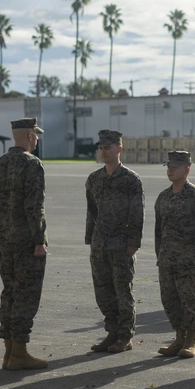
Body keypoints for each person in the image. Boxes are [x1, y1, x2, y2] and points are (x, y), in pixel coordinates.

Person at [0, 118, 49, 370]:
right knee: (26, 295)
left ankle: (9, 352)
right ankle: (19, 353)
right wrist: (39, 240)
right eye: (36, 135)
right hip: (27, 244)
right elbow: (34, 207)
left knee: (9, 293)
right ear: (30, 135)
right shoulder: (32, 164)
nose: (37, 139)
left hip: (6, 243)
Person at [86, 130, 146, 354]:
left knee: (123, 292)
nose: (103, 152)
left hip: (121, 245)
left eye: (108, 148)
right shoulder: (94, 179)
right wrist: (90, 238)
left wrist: (134, 242)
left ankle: (125, 336)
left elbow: (137, 213)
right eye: (101, 148)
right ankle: (111, 332)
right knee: (103, 293)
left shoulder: (130, 179)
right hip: (99, 245)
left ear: (119, 149)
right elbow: (91, 211)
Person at [155, 151, 195, 358]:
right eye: (169, 166)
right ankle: (179, 337)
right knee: (169, 299)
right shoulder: (163, 197)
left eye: (175, 166)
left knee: (189, 299)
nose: (170, 170)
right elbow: (159, 230)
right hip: (167, 259)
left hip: (188, 260)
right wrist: (159, 254)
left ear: (187, 169)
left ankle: (191, 340)